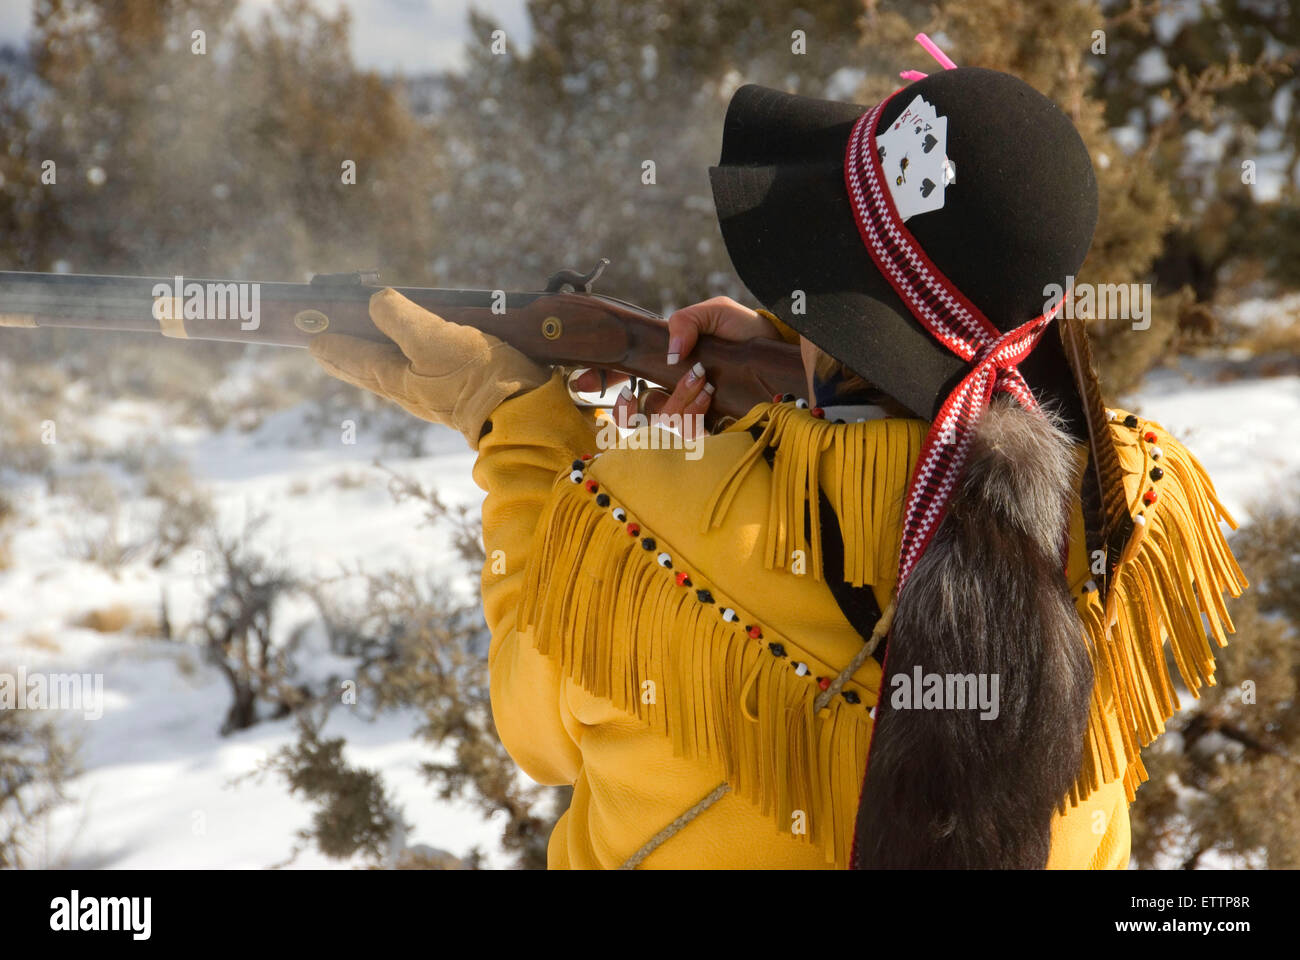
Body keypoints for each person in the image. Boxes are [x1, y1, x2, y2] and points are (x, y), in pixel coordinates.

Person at [309, 65, 1245, 869]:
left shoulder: (637, 524)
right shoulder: (1142, 493)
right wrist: (815, 365)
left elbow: (532, 727)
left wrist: (514, 428)